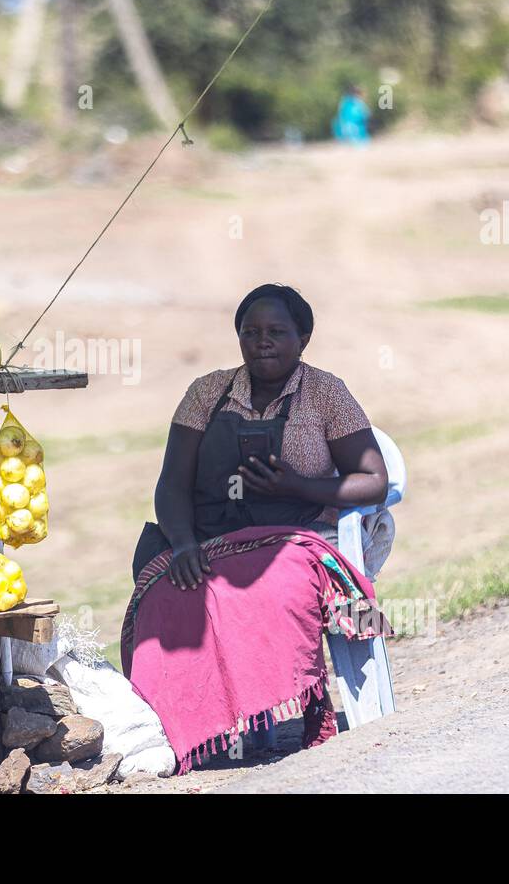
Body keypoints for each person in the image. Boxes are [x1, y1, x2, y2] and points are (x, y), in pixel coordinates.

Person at [121, 283, 394, 772]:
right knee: (168, 590)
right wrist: (182, 544)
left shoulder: (325, 392)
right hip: (212, 537)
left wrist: (298, 485)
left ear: (303, 337)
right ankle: (191, 732)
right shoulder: (207, 393)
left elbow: (373, 482)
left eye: (276, 332)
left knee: (277, 588)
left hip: (295, 535)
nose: (261, 341)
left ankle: (286, 708)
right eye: (250, 332)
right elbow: (171, 485)